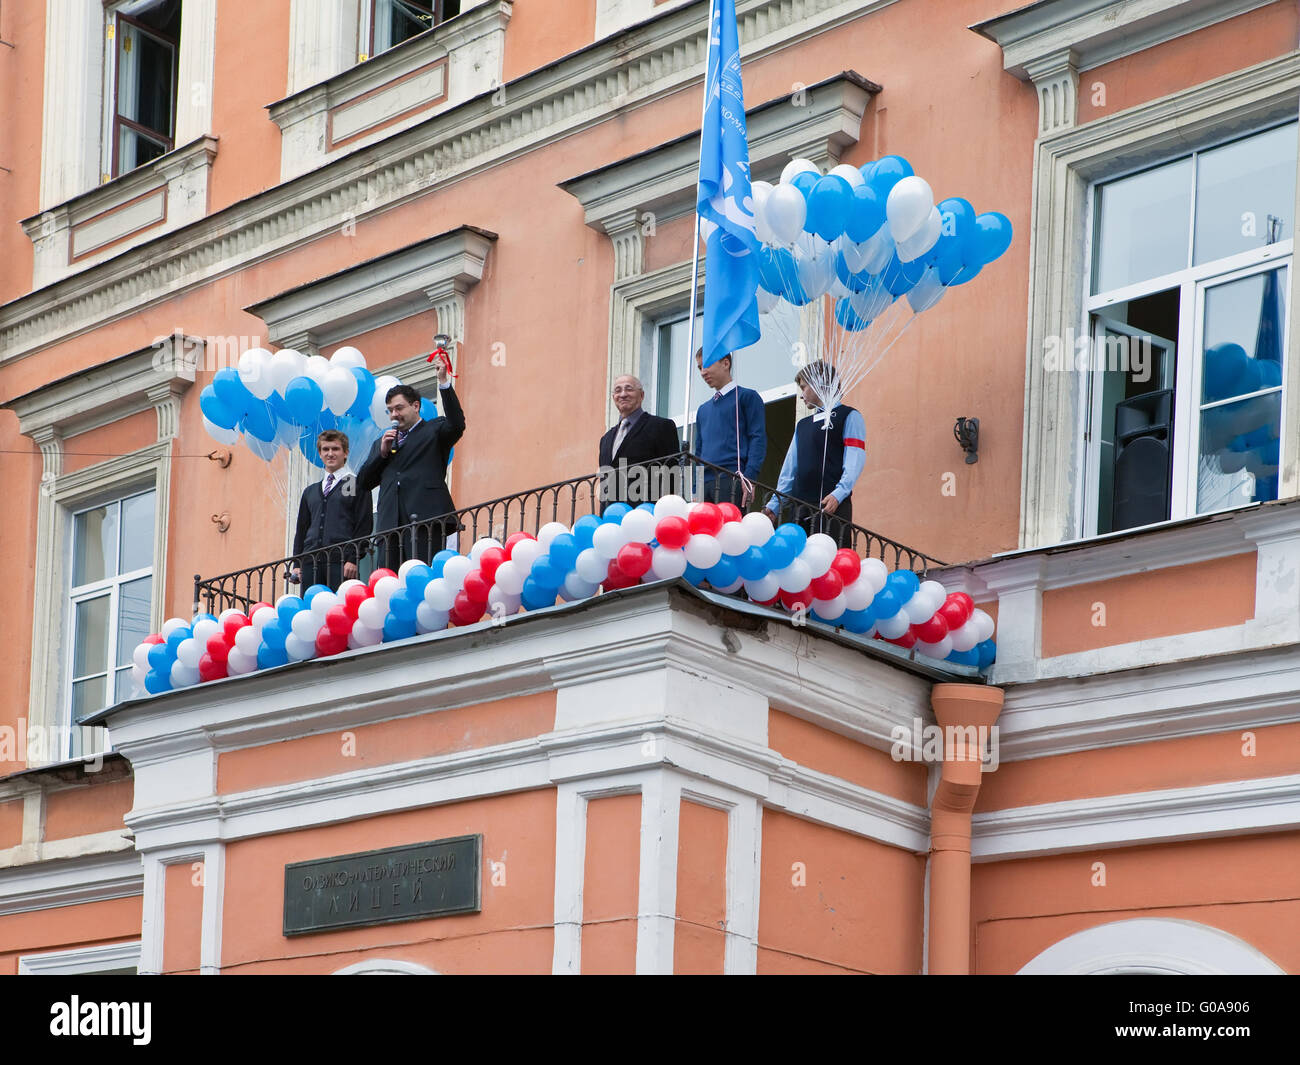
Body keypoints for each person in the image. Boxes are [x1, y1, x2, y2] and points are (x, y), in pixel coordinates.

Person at [357, 357, 464, 571]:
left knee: (423, 576)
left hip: (426, 521)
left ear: (415, 406)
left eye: (399, 408)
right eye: (390, 410)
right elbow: (363, 482)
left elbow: (457, 424)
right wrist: (382, 453)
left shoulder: (434, 430)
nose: (394, 414)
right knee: (390, 583)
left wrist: (444, 383)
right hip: (390, 528)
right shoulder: (383, 442)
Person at [765, 360, 865, 546]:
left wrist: (839, 493)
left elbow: (854, 462)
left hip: (832, 508)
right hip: (799, 510)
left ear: (819, 383)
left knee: (830, 565)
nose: (802, 395)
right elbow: (789, 472)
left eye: (804, 387)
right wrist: (774, 505)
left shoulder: (849, 416)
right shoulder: (802, 426)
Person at [291, 430, 373, 592]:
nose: (330, 454)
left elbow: (363, 524)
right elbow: (301, 529)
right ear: (320, 454)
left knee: (339, 609)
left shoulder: (351, 483)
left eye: (335, 449)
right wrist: (297, 564)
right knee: (311, 610)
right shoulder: (310, 491)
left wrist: (353, 558)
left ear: (345, 453)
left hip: (341, 561)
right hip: (310, 563)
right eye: (325, 449)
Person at [693, 348, 766, 507]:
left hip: (732, 479)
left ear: (726, 363)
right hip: (703, 486)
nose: (702, 373)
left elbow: (757, 438)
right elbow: (697, 453)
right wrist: (692, 490)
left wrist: (749, 477)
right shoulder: (702, 410)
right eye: (699, 368)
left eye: (706, 365)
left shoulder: (747, 397)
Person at [598, 374, 682, 507]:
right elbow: (605, 481)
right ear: (613, 397)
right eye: (618, 390)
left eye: (629, 389)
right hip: (612, 517)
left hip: (646, 513)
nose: (623, 394)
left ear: (641, 395)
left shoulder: (661, 426)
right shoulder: (605, 439)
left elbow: (671, 474)